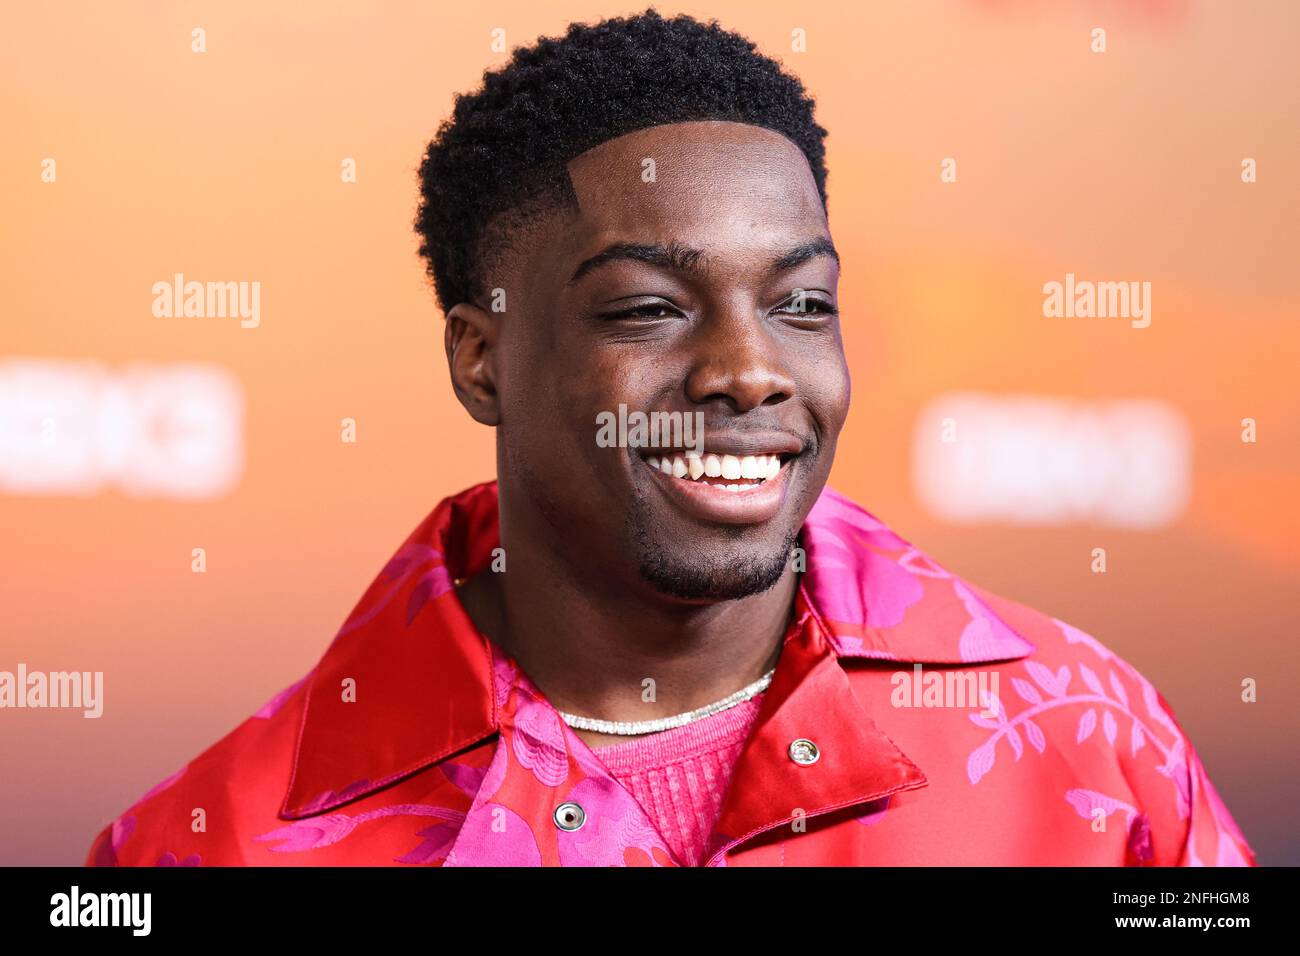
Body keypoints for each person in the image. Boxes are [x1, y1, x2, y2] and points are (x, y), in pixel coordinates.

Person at [87, 9, 1254, 867]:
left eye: (800, 304)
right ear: (479, 358)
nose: (750, 371)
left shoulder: (1092, 740)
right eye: (649, 306)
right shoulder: (214, 840)